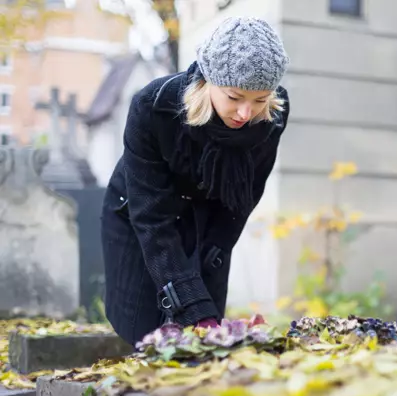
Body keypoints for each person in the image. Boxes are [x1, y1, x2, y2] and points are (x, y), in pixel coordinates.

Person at [100, 16, 290, 347]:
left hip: (209, 216)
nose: (246, 113)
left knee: (205, 333)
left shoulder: (272, 115)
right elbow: (152, 218)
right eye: (234, 97)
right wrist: (188, 299)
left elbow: (243, 199)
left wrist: (203, 288)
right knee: (145, 330)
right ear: (209, 80)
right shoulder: (153, 106)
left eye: (259, 100)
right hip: (141, 212)